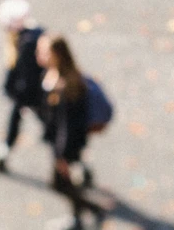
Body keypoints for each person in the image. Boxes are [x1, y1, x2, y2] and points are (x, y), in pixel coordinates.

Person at [38, 34, 104, 229]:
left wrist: (62, 156)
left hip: (66, 146)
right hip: (60, 142)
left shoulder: (68, 86)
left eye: (44, 52)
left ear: (57, 55)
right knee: (63, 182)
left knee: (60, 183)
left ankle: (81, 215)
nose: (39, 55)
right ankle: (87, 209)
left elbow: (68, 126)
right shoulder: (53, 74)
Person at [0, 0, 45, 173]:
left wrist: (14, 91)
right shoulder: (35, 34)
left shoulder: (27, 43)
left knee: (52, 127)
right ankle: (3, 153)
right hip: (33, 94)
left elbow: (24, 74)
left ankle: (3, 154)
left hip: (32, 95)